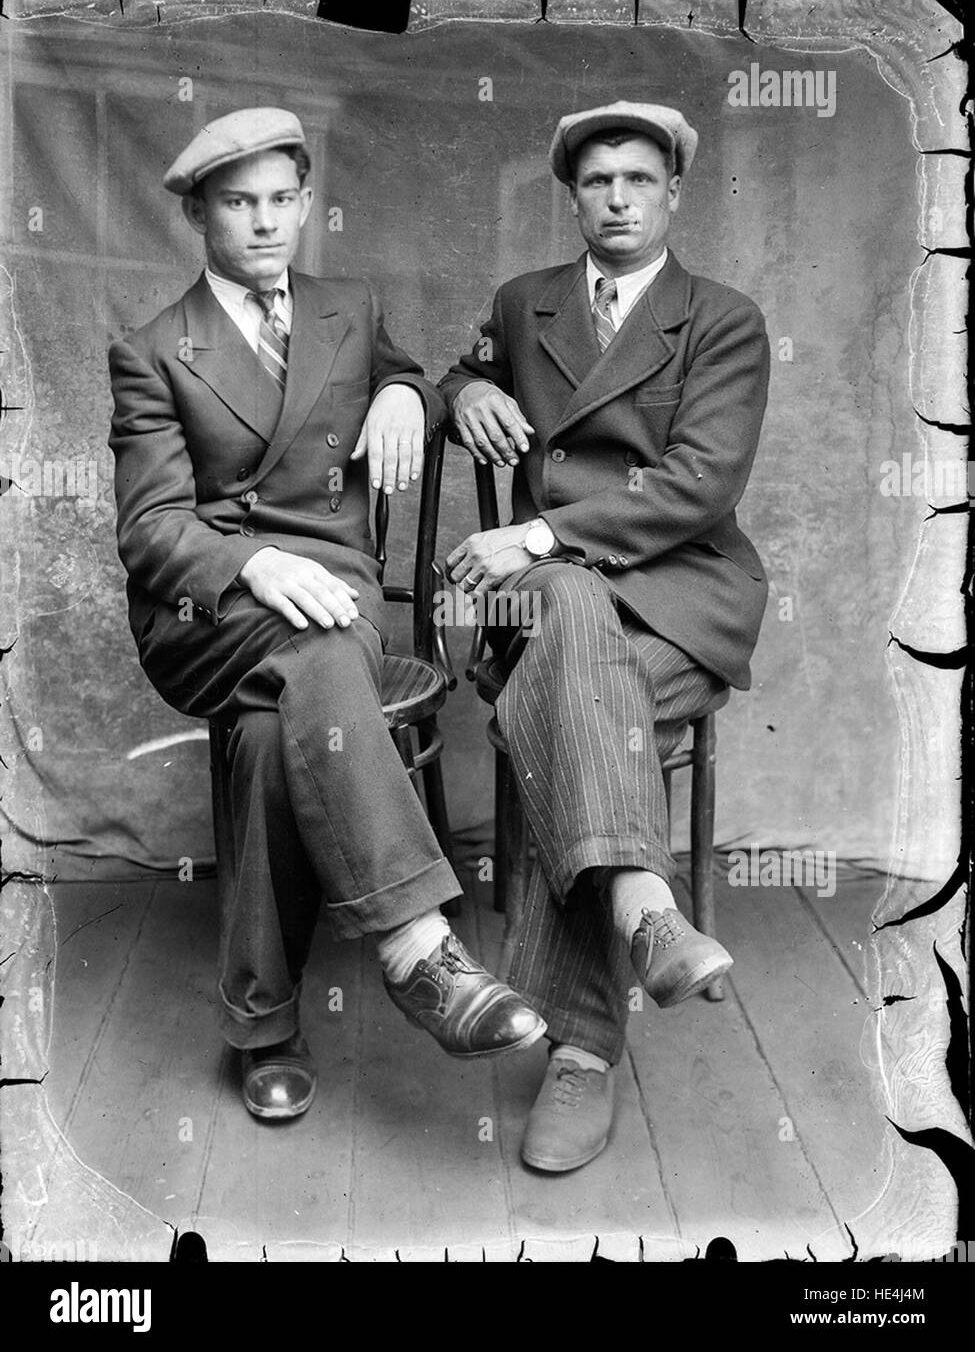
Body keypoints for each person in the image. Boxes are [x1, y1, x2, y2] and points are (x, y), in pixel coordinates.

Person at [107, 107, 544, 1123]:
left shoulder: (350, 305)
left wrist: (405, 393)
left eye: (280, 201)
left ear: (306, 205)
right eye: (236, 203)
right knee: (307, 655)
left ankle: (263, 1026)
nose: (263, 223)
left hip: (334, 597)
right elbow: (153, 528)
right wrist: (253, 560)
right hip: (209, 613)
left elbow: (416, 379)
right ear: (200, 217)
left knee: (272, 735)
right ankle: (419, 951)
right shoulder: (155, 350)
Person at [440, 101, 769, 1172]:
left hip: (676, 594)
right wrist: (470, 388)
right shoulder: (524, 302)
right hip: (549, 592)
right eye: (597, 181)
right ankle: (645, 912)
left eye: (639, 179)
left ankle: (581, 1045)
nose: (619, 198)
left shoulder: (723, 319)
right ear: (572, 196)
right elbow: (456, 368)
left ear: (674, 193)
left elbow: (697, 485)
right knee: (571, 618)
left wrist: (533, 530)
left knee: (570, 685)